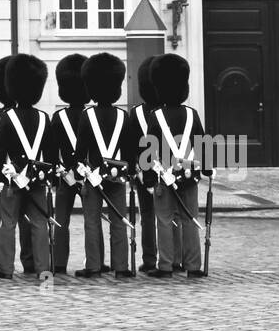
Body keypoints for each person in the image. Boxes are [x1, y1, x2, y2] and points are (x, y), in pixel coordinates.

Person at [0, 54, 58, 281]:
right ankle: (43, 270)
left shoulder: (7, 117)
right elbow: (50, 153)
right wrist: (51, 178)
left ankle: (6, 269)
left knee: (8, 223)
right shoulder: (43, 117)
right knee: (39, 223)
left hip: (12, 180)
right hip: (38, 180)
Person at [142, 53, 207, 280]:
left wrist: (148, 177)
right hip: (189, 174)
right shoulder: (192, 114)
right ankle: (194, 266)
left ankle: (166, 265)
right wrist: (206, 169)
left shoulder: (156, 115)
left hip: (164, 175)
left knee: (164, 219)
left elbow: (148, 150)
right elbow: (202, 143)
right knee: (190, 218)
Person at [123, 55, 182, 274]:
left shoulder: (136, 112)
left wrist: (133, 168)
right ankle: (175, 258)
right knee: (172, 215)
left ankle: (150, 259)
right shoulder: (170, 111)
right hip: (168, 168)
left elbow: (130, 145)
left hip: (144, 169)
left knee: (147, 216)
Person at [74, 53, 131, 279]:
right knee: (118, 219)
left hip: (94, 174)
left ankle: (94, 265)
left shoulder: (87, 116)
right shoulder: (123, 116)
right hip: (118, 175)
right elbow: (129, 150)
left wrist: (80, 171)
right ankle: (122, 266)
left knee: (92, 221)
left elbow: (80, 151)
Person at [0, 57, 35, 276]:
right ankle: (29, 261)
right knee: (25, 220)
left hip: (3, 177)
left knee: (2, 220)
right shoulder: (32, 115)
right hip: (25, 174)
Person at [50, 52, 96, 275]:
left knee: (61, 221)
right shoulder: (92, 115)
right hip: (88, 174)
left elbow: (51, 149)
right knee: (92, 221)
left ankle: (59, 263)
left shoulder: (59, 117)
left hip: (66, 174)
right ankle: (96, 261)